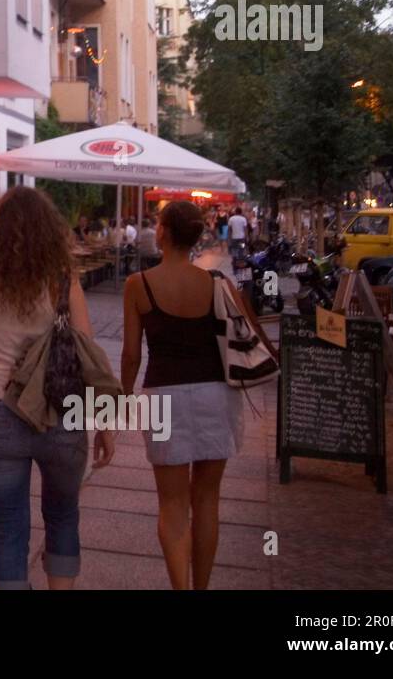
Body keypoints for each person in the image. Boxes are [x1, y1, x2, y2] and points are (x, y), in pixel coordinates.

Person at [0, 187, 115, 589]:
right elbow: (87, 354)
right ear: (51, 231)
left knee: (8, 531)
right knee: (63, 515)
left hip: (0, 411)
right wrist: (103, 423)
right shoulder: (64, 281)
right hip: (61, 415)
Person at [120, 201, 244, 589]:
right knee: (207, 500)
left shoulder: (138, 285)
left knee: (172, 506)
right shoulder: (216, 283)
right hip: (215, 395)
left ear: (164, 233)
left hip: (163, 398)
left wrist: (124, 398)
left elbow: (131, 354)